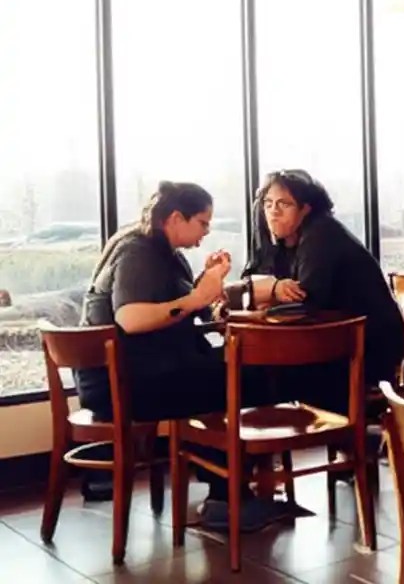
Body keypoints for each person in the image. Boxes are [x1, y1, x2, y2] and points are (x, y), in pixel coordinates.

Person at [78, 181, 284, 531]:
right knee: (247, 379)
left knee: (230, 375)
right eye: (202, 223)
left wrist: (207, 285)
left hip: (138, 374)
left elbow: (185, 309)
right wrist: (197, 299)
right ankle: (230, 494)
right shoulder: (139, 252)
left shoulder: (163, 252)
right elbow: (131, 318)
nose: (206, 231)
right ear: (176, 217)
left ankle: (227, 485)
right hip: (124, 384)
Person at [242, 169, 404, 411]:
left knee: (255, 375)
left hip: (365, 346)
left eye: (284, 204)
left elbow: (306, 301)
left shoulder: (321, 232)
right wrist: (268, 292)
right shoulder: (278, 238)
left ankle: (249, 444)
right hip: (327, 343)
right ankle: (251, 443)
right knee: (252, 371)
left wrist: (266, 296)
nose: (273, 212)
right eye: (268, 204)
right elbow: (252, 282)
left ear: (305, 208)